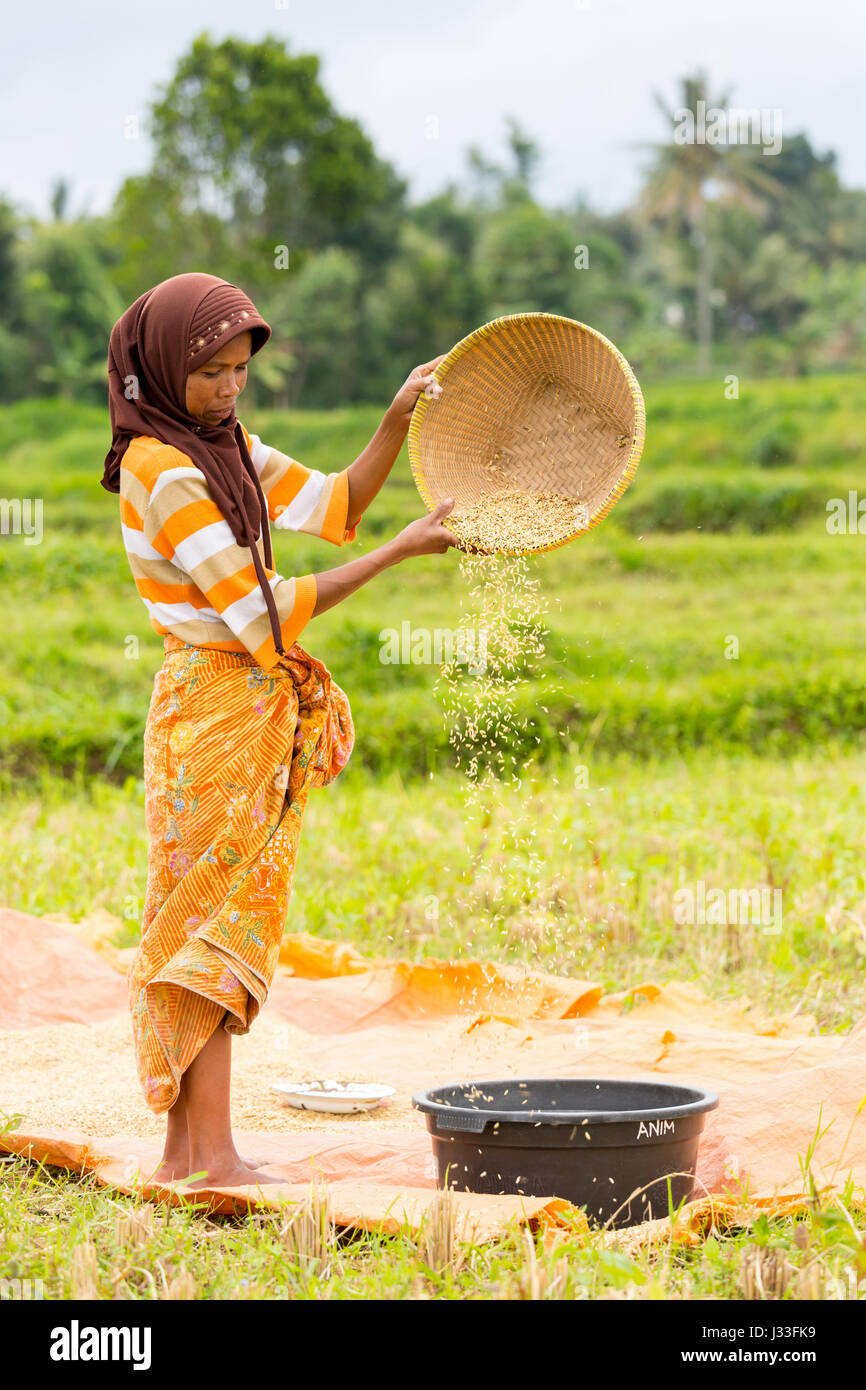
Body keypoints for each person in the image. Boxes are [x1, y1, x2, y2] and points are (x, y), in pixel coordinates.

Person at [102, 271, 457, 1190]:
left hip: (245, 704)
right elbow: (265, 618)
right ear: (162, 366)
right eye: (211, 371)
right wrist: (402, 552)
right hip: (212, 708)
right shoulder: (164, 470)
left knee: (210, 919)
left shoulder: (221, 445)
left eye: (241, 370)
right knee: (211, 925)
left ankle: (188, 1153)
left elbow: (334, 509)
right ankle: (213, 1157)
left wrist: (397, 419)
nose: (228, 389)